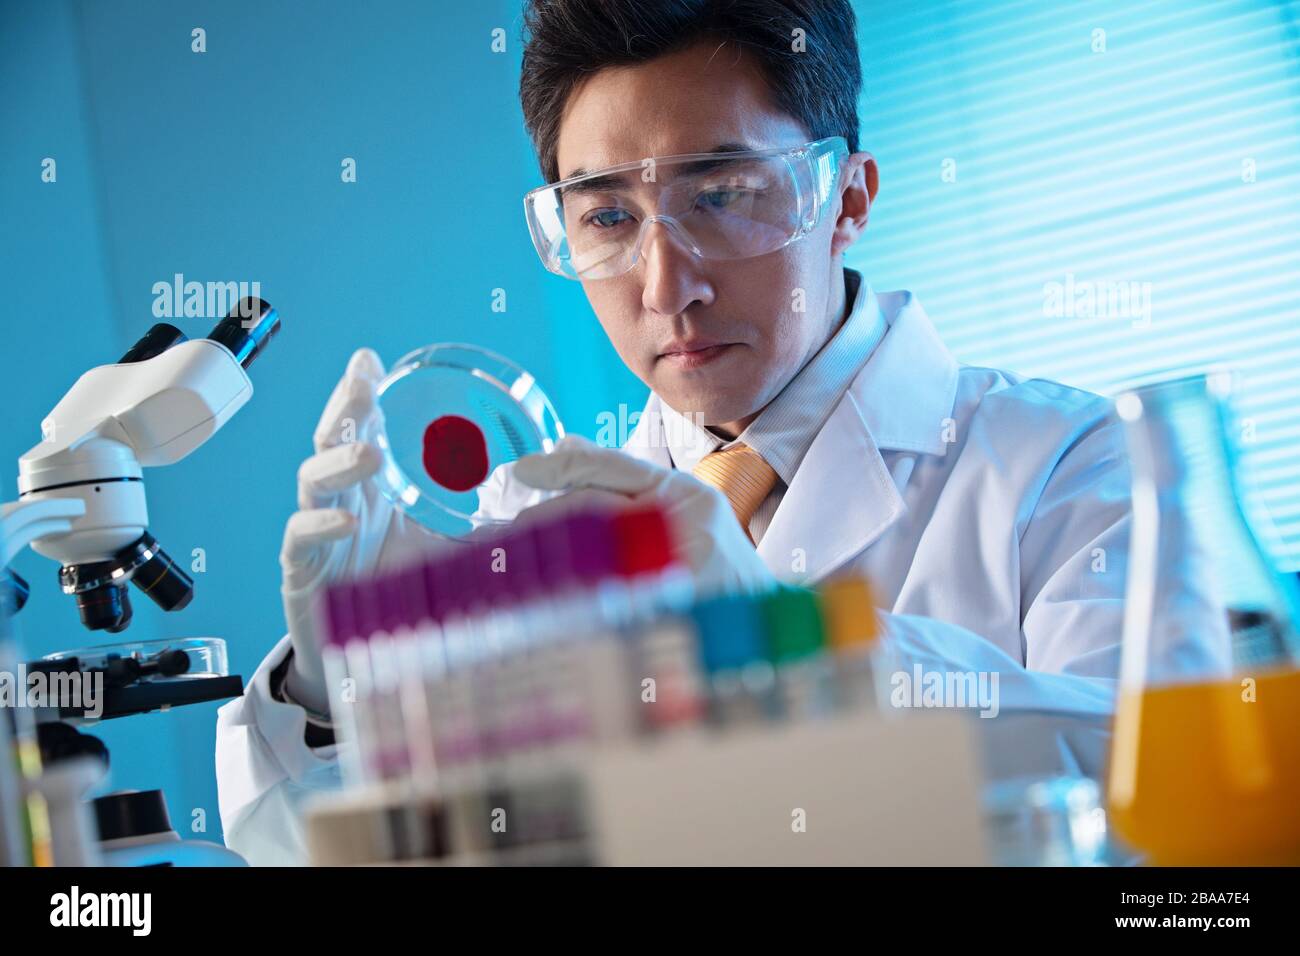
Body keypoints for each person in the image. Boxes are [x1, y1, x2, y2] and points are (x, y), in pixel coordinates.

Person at [216, 0, 1130, 865]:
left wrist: (797, 646)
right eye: (608, 216)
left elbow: (1171, 819)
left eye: (723, 195)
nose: (665, 287)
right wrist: (334, 691)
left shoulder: (1067, 463)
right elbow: (324, 847)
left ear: (847, 199)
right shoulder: (527, 525)